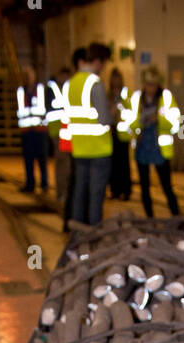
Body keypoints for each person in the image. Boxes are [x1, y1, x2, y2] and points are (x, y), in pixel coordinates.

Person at [119, 67, 180, 219]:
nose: (150, 88)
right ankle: (150, 219)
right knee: (144, 188)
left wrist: (158, 119)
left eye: (153, 84)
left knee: (167, 186)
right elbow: (129, 123)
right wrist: (140, 122)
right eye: (148, 84)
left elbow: (175, 123)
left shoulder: (166, 98)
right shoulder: (136, 99)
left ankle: (177, 218)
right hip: (142, 148)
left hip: (160, 149)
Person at [65, 43, 112, 227]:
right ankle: (94, 232)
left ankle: (77, 231)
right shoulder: (95, 84)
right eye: (104, 64)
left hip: (79, 147)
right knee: (96, 194)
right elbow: (104, 119)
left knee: (79, 192)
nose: (103, 68)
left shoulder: (72, 83)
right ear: (98, 61)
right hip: (99, 148)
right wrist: (113, 112)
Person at [60, 50, 86, 230]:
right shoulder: (78, 84)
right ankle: (72, 223)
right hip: (78, 142)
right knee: (77, 185)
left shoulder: (71, 84)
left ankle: (68, 222)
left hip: (74, 140)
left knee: (75, 184)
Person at [16, 66, 49, 193]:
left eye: (29, 76)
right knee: (28, 159)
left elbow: (44, 108)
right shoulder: (21, 91)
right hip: (26, 131)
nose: (28, 79)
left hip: (40, 130)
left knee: (42, 158)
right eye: (25, 76)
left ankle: (44, 183)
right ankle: (30, 183)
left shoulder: (40, 89)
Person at [47, 66, 72, 207]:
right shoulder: (54, 89)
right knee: (63, 163)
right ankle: (62, 193)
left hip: (65, 131)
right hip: (58, 131)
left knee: (64, 164)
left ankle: (63, 192)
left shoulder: (62, 89)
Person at [107, 68, 132, 200]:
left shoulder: (125, 94)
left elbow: (130, 110)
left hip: (123, 132)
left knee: (124, 163)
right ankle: (115, 190)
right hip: (112, 131)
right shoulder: (108, 94)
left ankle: (125, 190)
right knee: (113, 163)